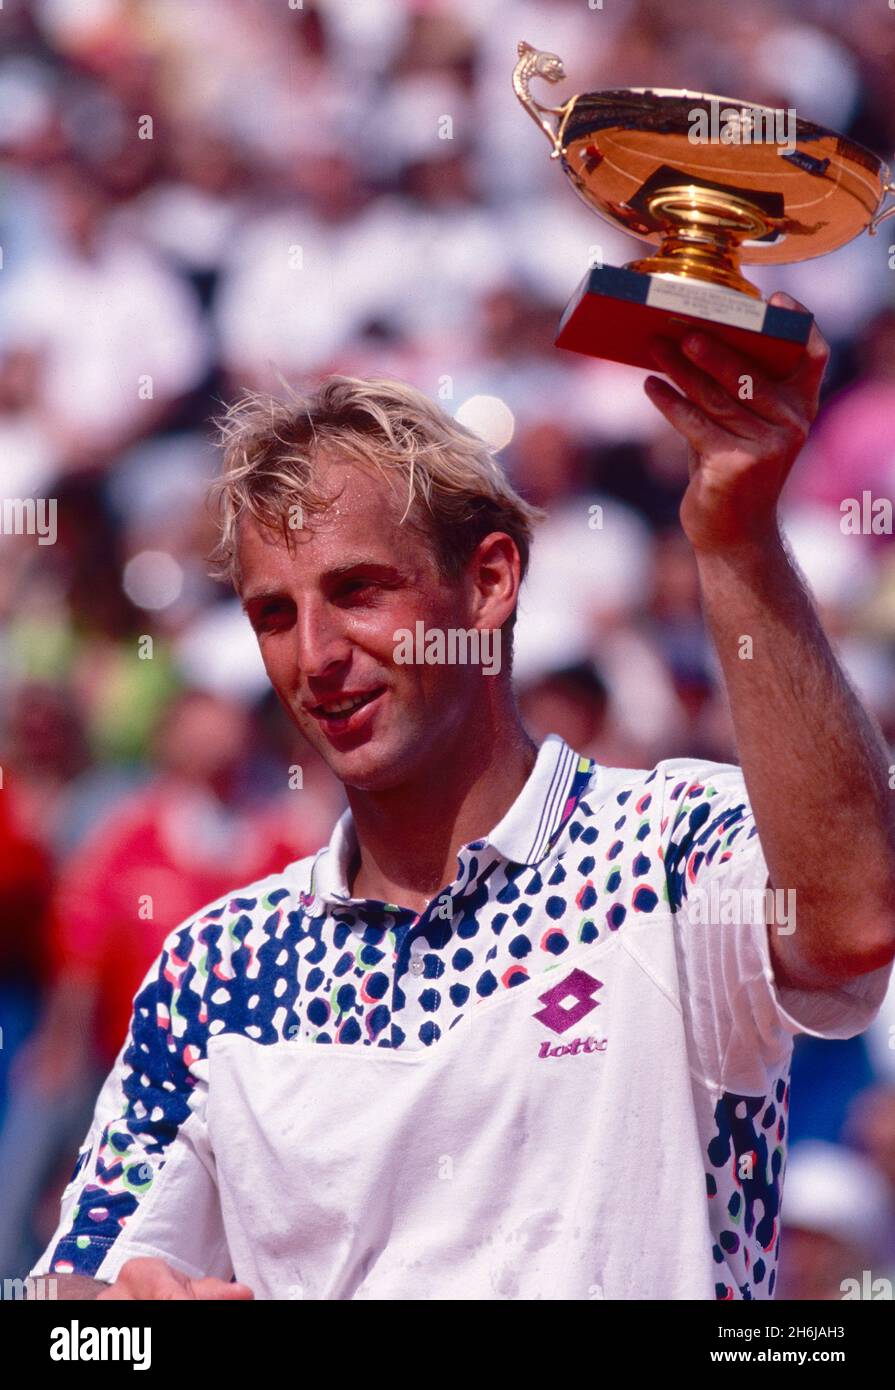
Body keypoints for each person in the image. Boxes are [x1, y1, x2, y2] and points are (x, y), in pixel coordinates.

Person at [29, 300, 895, 1300]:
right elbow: (71, 1298)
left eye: (358, 591)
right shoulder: (219, 965)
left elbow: (853, 915)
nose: (314, 659)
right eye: (275, 613)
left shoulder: (666, 848)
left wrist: (736, 534)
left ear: (488, 582)